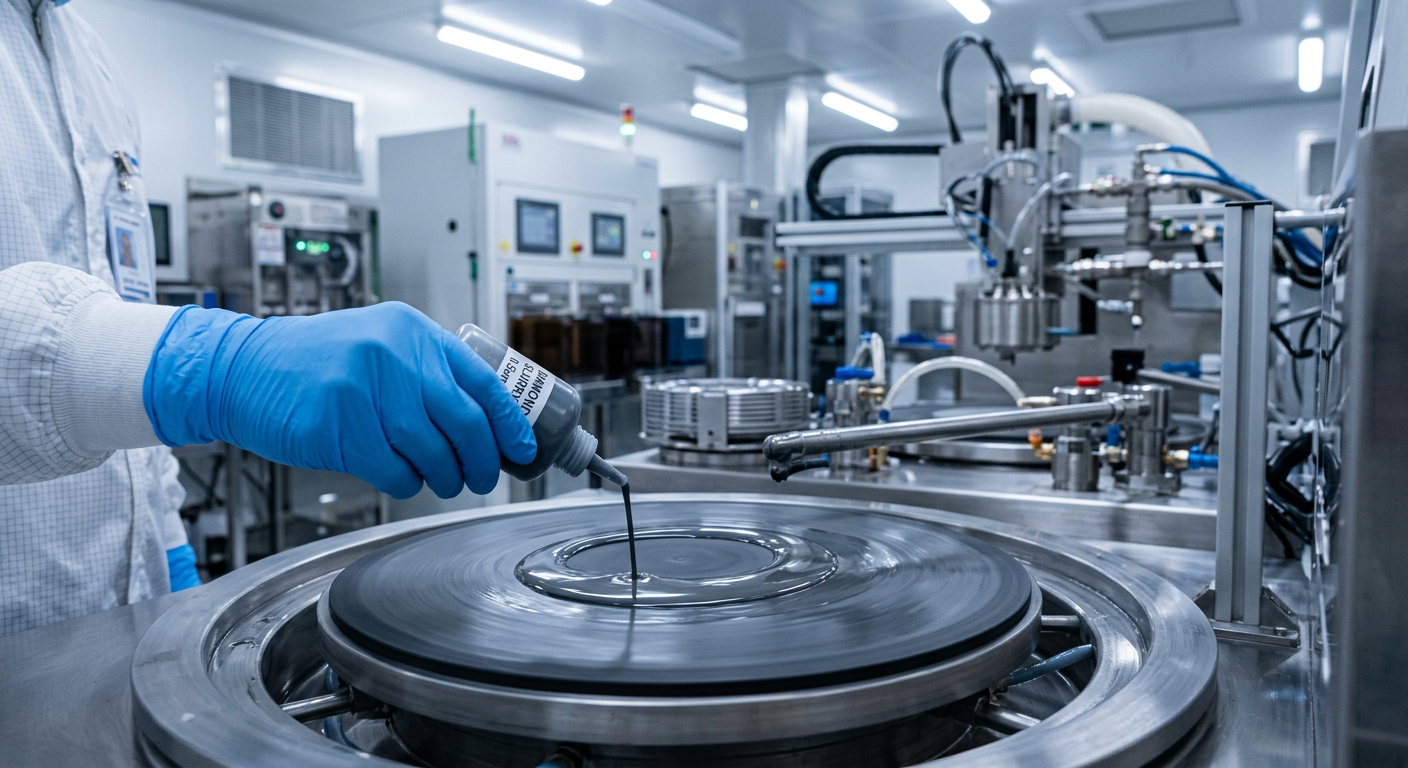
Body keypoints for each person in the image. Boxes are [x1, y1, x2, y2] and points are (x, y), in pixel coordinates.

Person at [0, 0, 535, 635]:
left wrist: (169, 545)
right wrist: (211, 366)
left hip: (120, 612)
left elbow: (119, 327)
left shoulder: (94, 67)